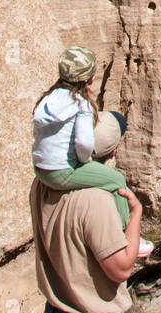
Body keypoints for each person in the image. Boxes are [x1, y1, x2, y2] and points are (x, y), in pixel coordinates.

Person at [30, 108, 143, 313]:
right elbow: (121, 266)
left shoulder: (42, 185)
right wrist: (135, 215)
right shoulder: (96, 200)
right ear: (114, 153)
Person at [32, 46, 152, 256]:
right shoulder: (81, 105)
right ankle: (126, 234)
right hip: (61, 171)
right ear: (89, 78)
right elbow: (85, 142)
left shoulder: (48, 98)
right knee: (115, 179)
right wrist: (85, 161)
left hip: (41, 169)